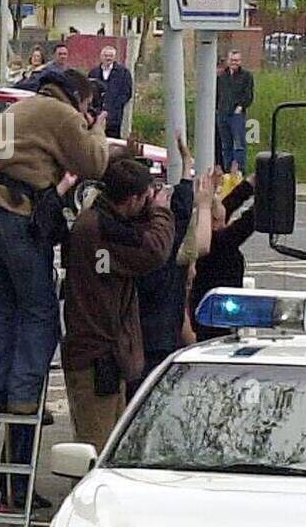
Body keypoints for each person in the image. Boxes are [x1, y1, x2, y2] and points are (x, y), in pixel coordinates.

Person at [0, 69, 109, 512]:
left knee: (1, 313)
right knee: (39, 314)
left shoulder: (20, 108)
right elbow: (93, 163)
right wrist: (96, 131)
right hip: (14, 216)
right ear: (77, 98)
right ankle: (25, 400)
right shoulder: (59, 113)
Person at [62, 156, 174, 451]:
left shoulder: (99, 217)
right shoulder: (100, 229)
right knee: (96, 450)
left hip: (104, 353)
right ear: (133, 199)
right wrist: (161, 211)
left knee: (112, 447)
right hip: (97, 355)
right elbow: (154, 250)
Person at [130, 136, 212, 393]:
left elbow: (181, 209)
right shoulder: (164, 246)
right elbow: (183, 211)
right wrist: (187, 170)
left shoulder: (128, 237)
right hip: (162, 337)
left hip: (133, 338)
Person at [188, 171, 255, 341]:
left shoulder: (195, 236)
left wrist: (248, 185)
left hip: (201, 313)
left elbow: (224, 208)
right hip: (216, 323)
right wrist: (272, 191)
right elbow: (251, 219)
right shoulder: (221, 243)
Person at [215, 50, 254, 174]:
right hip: (222, 114)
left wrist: (240, 107)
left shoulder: (246, 76)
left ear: (240, 61)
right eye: (232, 60)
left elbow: (248, 94)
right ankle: (227, 171)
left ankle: (239, 171)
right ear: (228, 61)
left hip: (237, 115)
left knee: (239, 145)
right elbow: (217, 94)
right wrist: (217, 108)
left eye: (236, 60)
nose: (234, 63)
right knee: (226, 146)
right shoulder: (222, 76)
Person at [88, 44, 133, 138]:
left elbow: (126, 93)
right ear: (101, 57)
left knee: (113, 141)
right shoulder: (93, 72)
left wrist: (111, 109)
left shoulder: (123, 73)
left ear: (114, 57)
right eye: (106, 56)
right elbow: (89, 92)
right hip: (95, 115)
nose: (108, 58)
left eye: (111, 56)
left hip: (114, 116)